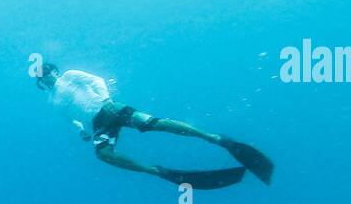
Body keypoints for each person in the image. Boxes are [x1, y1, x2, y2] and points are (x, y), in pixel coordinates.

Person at [36, 63, 273, 189]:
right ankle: (157, 171)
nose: (45, 77)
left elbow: (97, 81)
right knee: (104, 154)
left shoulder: (70, 74)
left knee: (153, 124)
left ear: (54, 70)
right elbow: (72, 119)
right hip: (97, 124)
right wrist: (81, 131)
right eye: (41, 77)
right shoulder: (53, 101)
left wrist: (107, 100)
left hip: (110, 108)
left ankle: (214, 138)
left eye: (46, 72)